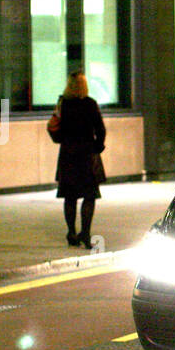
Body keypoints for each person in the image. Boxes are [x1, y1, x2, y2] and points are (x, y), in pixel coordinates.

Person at [49, 70, 106, 248]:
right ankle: (86, 233)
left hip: (68, 154)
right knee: (89, 196)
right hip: (87, 155)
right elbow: (101, 129)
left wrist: (60, 139)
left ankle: (71, 232)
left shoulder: (62, 104)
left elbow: (53, 126)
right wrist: (98, 146)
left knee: (70, 196)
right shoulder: (91, 104)